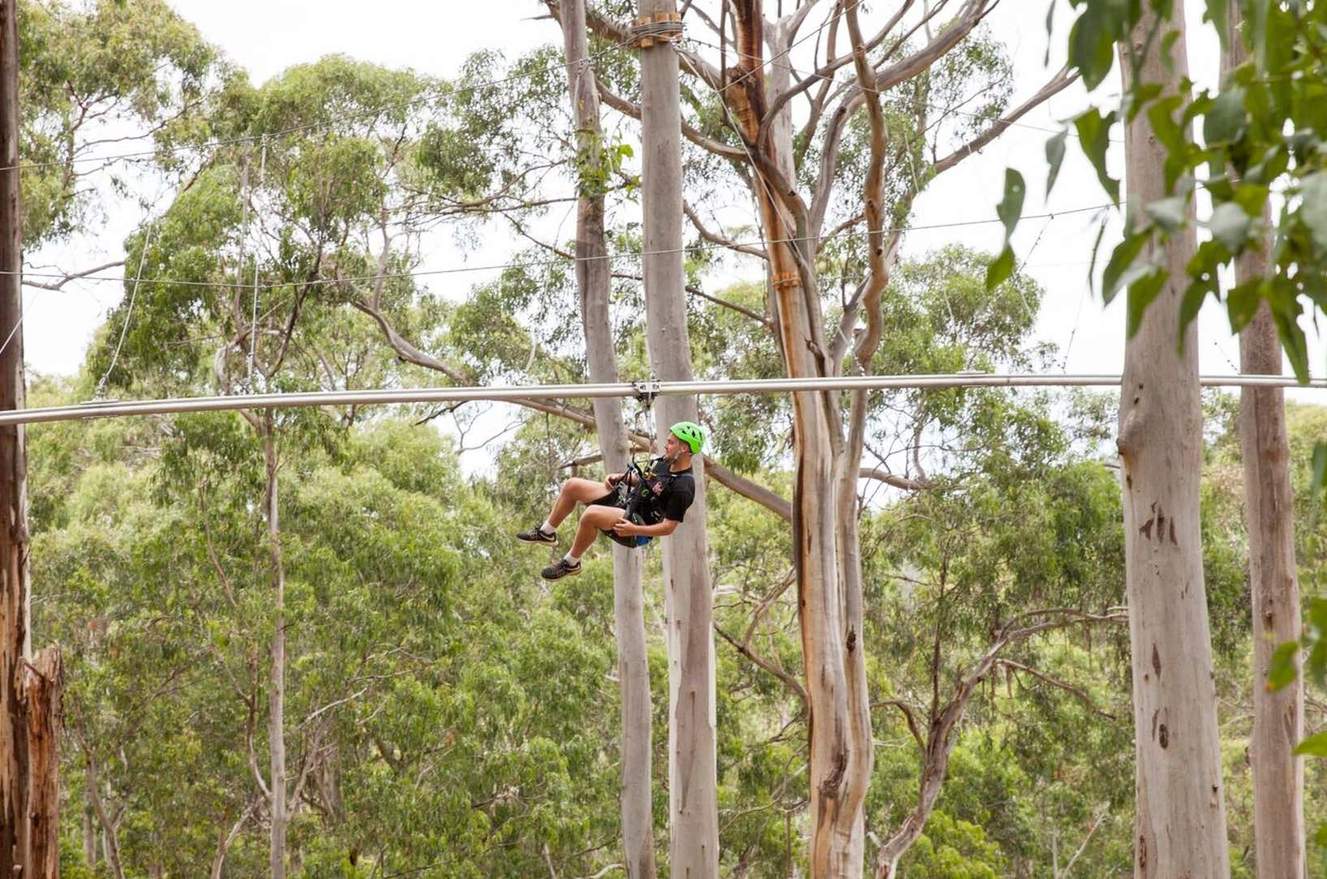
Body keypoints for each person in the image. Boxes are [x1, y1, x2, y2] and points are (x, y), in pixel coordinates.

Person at [516, 421, 705, 580]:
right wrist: (620, 477)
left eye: (671, 443)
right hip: (627, 503)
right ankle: (546, 532)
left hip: (636, 525)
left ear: (684, 448)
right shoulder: (664, 463)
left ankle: (571, 563)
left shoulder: (684, 486)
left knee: (590, 515)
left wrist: (635, 529)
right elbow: (646, 480)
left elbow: (668, 527)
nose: (666, 445)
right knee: (572, 485)